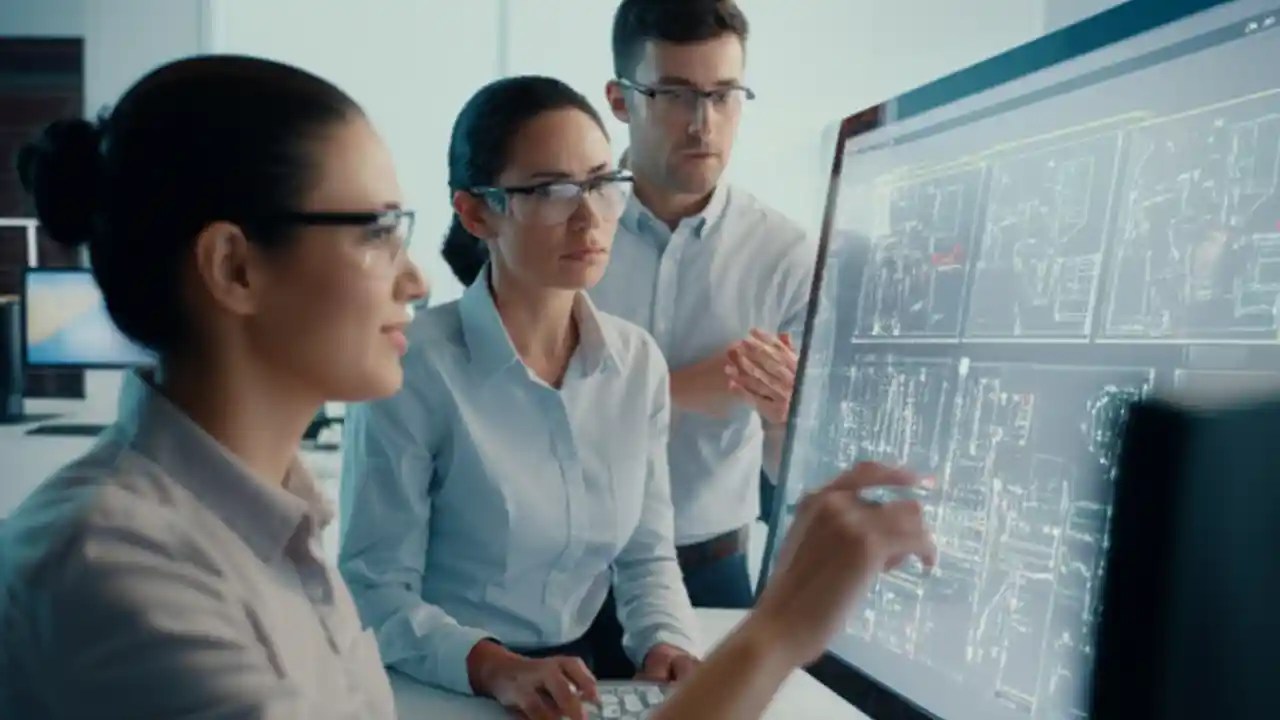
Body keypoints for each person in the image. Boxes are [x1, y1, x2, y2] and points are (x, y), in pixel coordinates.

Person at [0, 55, 426, 718]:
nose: (416, 281)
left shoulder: (274, 522)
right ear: (234, 267)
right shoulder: (110, 568)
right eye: (376, 232)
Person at [338, 75, 700, 720]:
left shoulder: (634, 361)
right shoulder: (413, 365)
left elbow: (645, 553)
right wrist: (493, 667)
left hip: (582, 680)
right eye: (551, 191)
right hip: (441, 683)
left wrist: (666, 640)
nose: (590, 217)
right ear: (477, 213)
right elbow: (375, 591)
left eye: (600, 183)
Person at [589, 0, 817, 609]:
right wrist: (698, 383)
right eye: (676, 94)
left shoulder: (785, 254)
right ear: (619, 100)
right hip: (564, 581)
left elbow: (788, 469)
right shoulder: (561, 233)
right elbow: (529, 413)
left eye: (724, 94)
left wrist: (780, 417)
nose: (703, 123)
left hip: (712, 575)